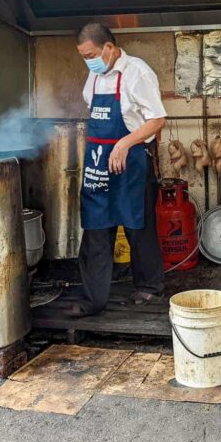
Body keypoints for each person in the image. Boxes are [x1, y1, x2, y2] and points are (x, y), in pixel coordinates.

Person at [60, 23, 167, 317]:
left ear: (108, 47)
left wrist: (123, 144)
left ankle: (149, 286)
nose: (88, 61)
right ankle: (92, 299)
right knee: (96, 225)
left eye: (91, 54)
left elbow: (157, 119)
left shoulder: (137, 72)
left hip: (130, 159)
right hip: (98, 163)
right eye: (83, 56)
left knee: (137, 224)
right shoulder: (94, 77)